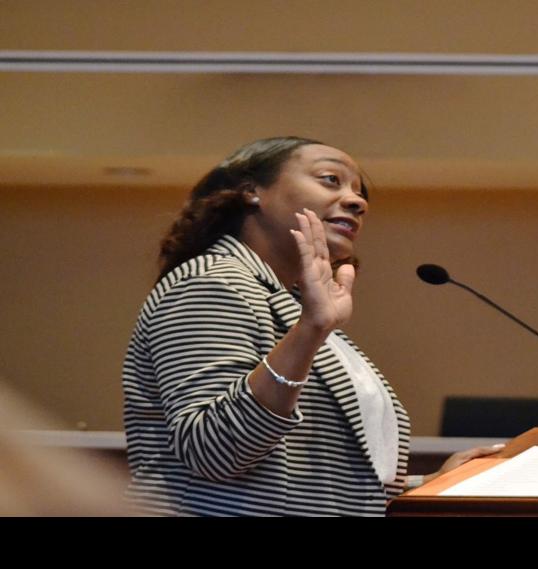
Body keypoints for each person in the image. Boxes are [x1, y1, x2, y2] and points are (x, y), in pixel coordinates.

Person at [122, 136, 499, 516]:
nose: (358, 201)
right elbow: (214, 452)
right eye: (330, 179)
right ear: (252, 191)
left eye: (359, 191)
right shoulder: (211, 282)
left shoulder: (289, 304)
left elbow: (310, 481)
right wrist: (309, 332)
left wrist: (432, 484)